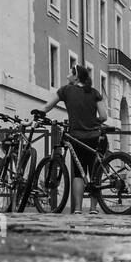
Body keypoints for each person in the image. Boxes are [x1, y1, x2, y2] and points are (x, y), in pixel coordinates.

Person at [40, 63, 107, 215]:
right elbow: (103, 116)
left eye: (69, 73)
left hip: (77, 138)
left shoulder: (66, 90)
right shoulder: (95, 92)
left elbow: (47, 107)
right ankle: (93, 209)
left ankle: (77, 209)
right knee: (95, 172)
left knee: (78, 173)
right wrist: (92, 122)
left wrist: (36, 115)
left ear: (76, 76)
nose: (67, 76)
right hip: (96, 137)